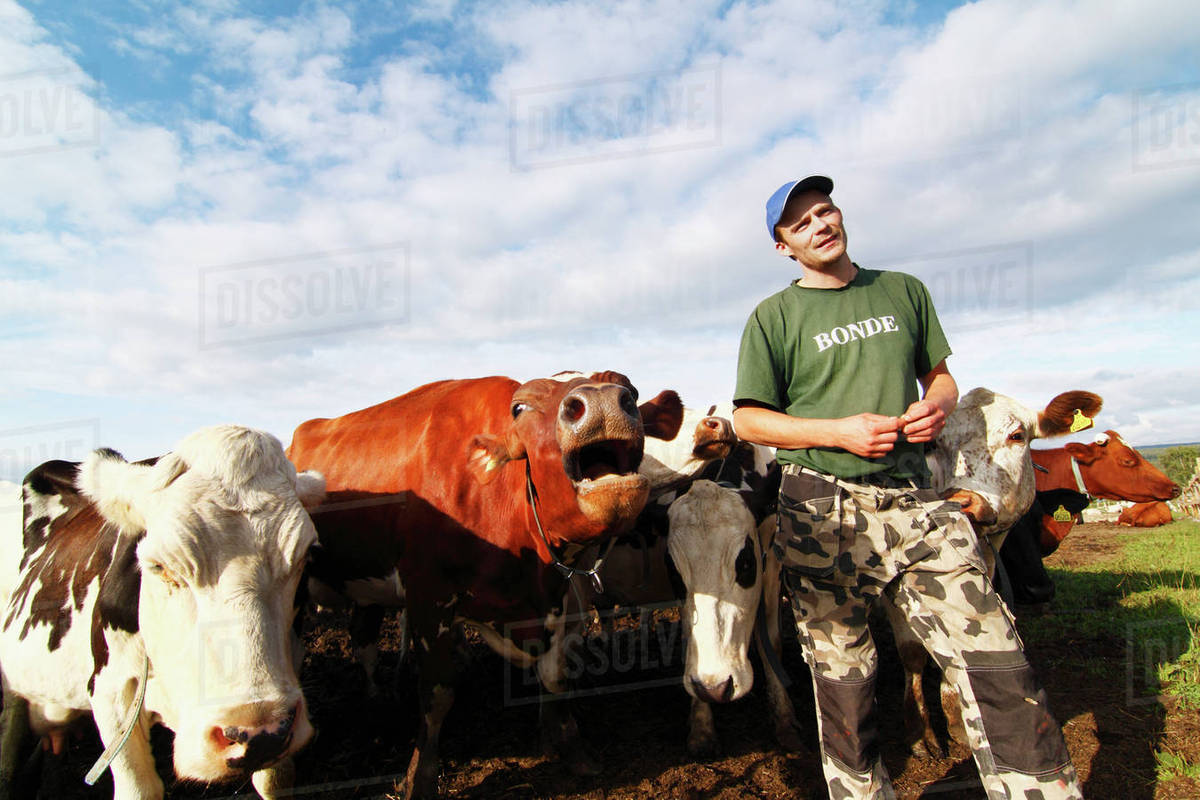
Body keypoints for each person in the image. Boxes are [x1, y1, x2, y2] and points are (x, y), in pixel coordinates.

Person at [732, 175, 1082, 799]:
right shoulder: (773, 317)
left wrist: (936, 408)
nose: (820, 225)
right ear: (783, 246)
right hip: (821, 507)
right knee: (843, 680)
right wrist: (837, 432)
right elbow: (750, 421)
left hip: (918, 499)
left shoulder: (902, 290)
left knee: (996, 656)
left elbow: (941, 378)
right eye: (801, 223)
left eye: (825, 210)